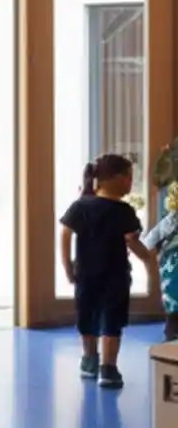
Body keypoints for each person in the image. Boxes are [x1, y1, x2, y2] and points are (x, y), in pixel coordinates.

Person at [61, 154, 155, 389]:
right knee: (112, 321)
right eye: (128, 177)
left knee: (87, 317)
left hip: (86, 275)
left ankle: (89, 360)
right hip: (116, 277)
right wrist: (148, 259)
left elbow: (65, 235)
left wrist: (68, 269)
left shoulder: (80, 206)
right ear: (115, 179)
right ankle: (109, 368)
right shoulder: (124, 211)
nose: (130, 183)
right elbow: (132, 241)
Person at [142, 182, 178, 341]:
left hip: (170, 273)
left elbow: (149, 243)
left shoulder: (169, 220)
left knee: (173, 313)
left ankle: (170, 342)